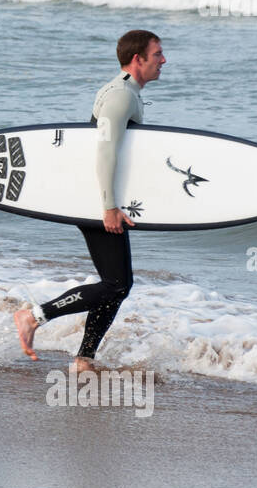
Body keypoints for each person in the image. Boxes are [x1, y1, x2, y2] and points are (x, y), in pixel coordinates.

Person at [13, 30, 165, 372]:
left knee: (118, 285)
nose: (163, 60)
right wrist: (109, 205)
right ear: (137, 59)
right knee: (116, 284)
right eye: (157, 54)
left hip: (100, 198)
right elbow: (105, 149)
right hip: (96, 201)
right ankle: (33, 317)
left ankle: (84, 359)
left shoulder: (128, 92)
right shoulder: (121, 96)